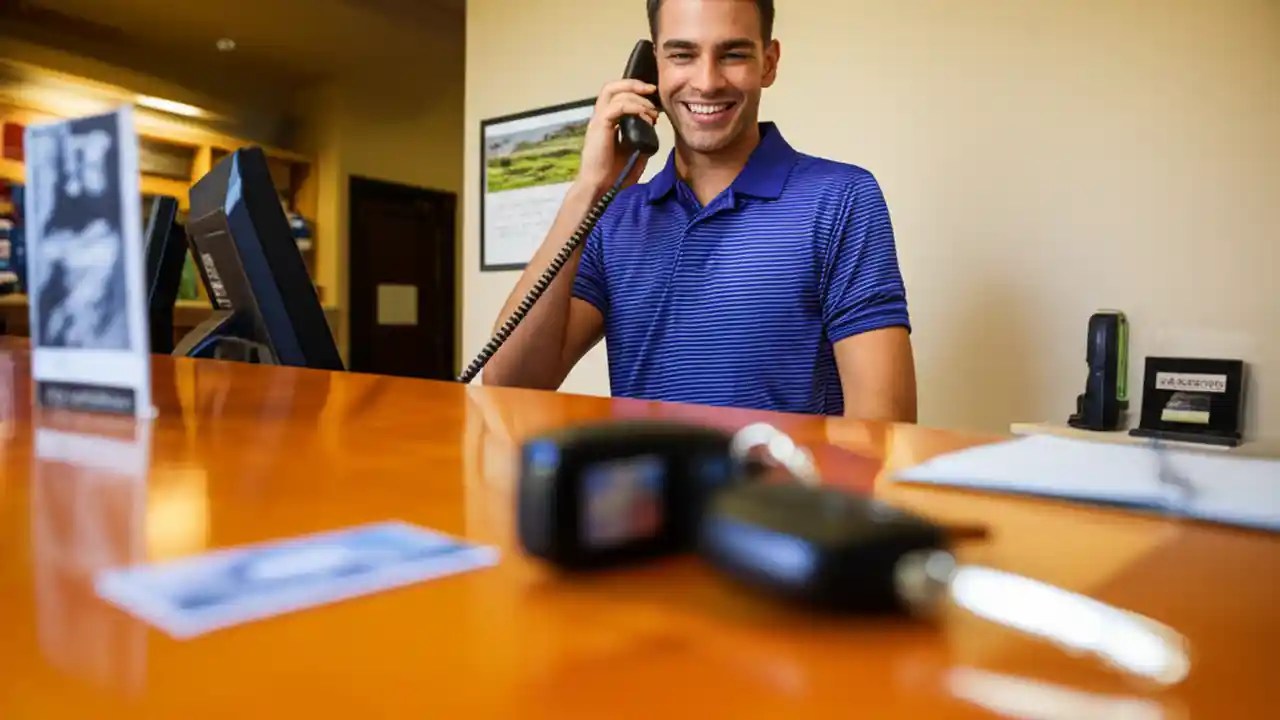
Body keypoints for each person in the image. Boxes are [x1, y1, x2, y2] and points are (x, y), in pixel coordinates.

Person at [481, 0, 917, 421]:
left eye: (732, 54)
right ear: (654, 66)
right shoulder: (613, 216)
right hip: (649, 497)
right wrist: (588, 191)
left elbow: (882, 424)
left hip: (782, 499)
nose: (707, 81)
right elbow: (510, 385)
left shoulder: (842, 198)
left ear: (768, 62)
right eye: (682, 54)